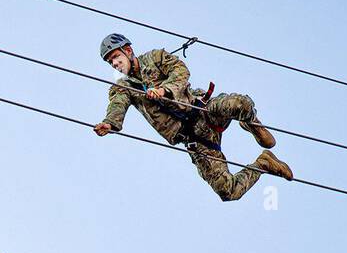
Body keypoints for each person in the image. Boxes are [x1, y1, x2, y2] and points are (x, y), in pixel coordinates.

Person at [92, 32, 294, 201]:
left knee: (241, 103)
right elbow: (117, 105)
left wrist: (164, 90)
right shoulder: (123, 87)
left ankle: (252, 124)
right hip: (194, 139)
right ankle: (265, 163)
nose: (115, 64)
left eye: (116, 57)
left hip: (203, 112)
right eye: (111, 62)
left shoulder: (156, 57)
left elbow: (181, 71)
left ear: (128, 51)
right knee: (228, 191)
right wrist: (109, 124)